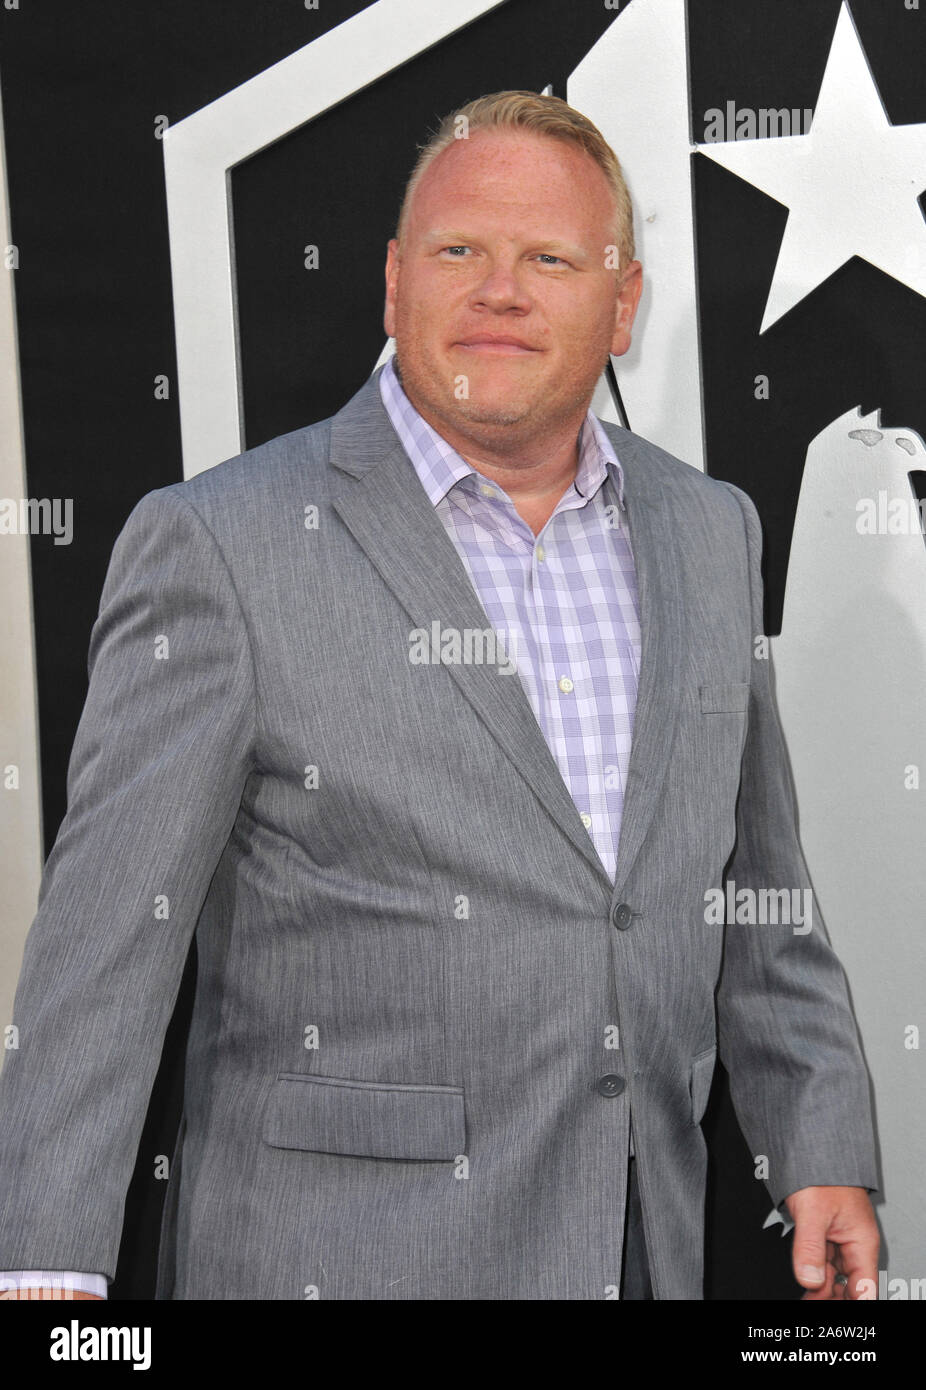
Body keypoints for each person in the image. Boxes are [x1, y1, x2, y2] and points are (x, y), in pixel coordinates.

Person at [0, 91, 878, 1301]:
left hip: (638, 1250)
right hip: (336, 1263)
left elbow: (752, 890)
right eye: (459, 249)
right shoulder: (222, 546)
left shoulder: (709, 529)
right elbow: (104, 954)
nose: (500, 289)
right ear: (392, 285)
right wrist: (46, 1282)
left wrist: (818, 1145)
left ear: (621, 306)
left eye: (550, 258)